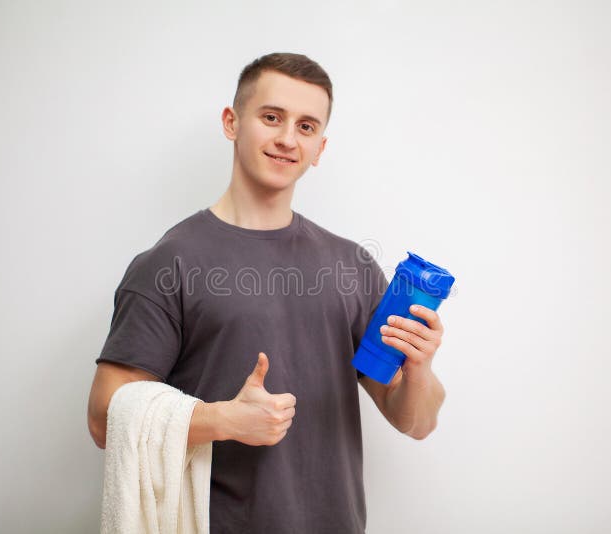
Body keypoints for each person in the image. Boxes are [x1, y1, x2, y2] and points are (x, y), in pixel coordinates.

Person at [87, 52, 447, 533]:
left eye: (305, 126)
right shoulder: (168, 263)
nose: (286, 138)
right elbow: (103, 417)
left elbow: (415, 422)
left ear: (319, 147)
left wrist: (418, 368)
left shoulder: (352, 267)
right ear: (232, 122)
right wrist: (225, 421)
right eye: (272, 117)